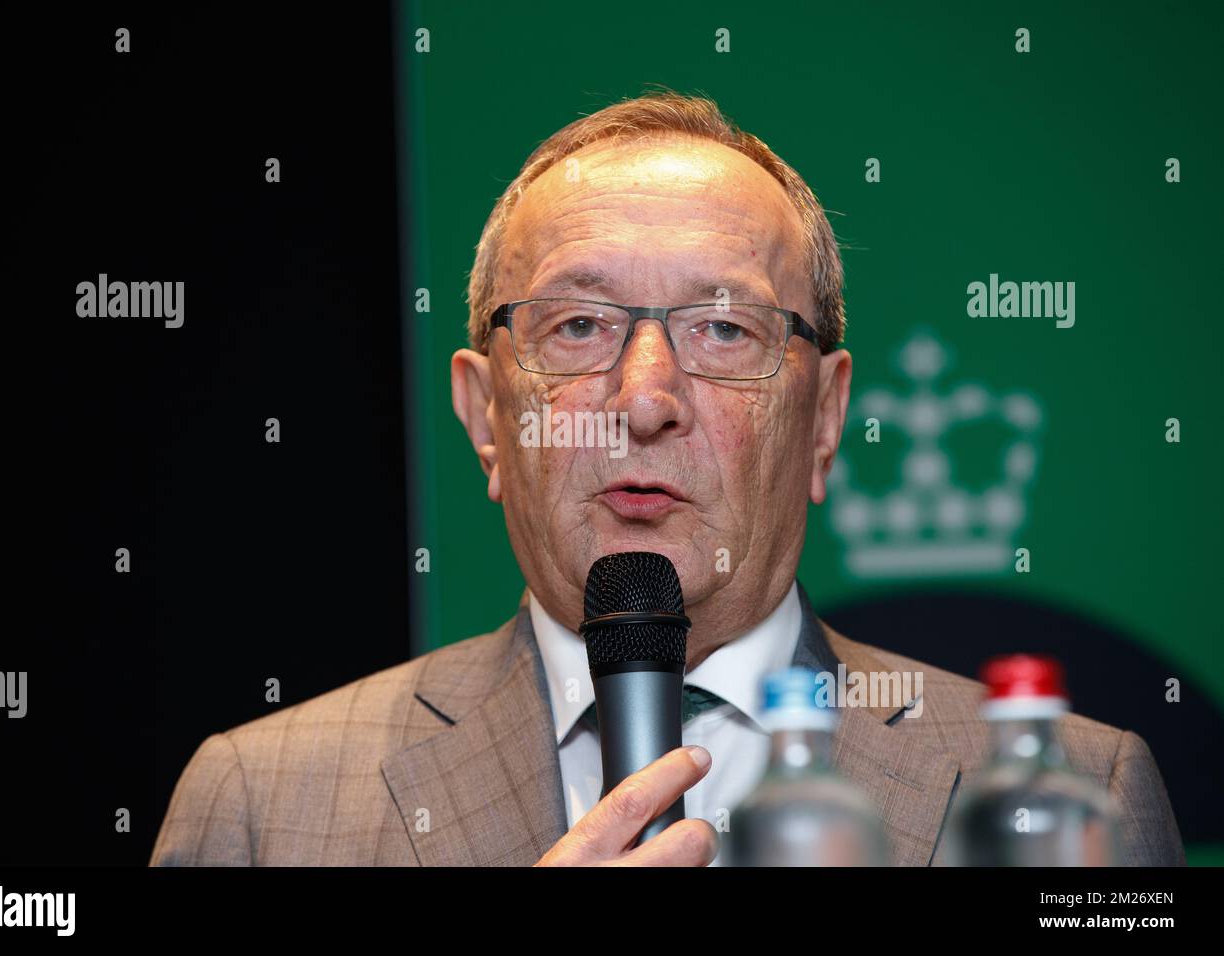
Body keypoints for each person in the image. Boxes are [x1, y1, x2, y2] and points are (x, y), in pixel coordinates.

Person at [150, 91, 1184, 866]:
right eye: (580, 325)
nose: (643, 399)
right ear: (484, 418)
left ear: (823, 417)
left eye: (724, 328)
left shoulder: (1079, 797)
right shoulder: (260, 801)